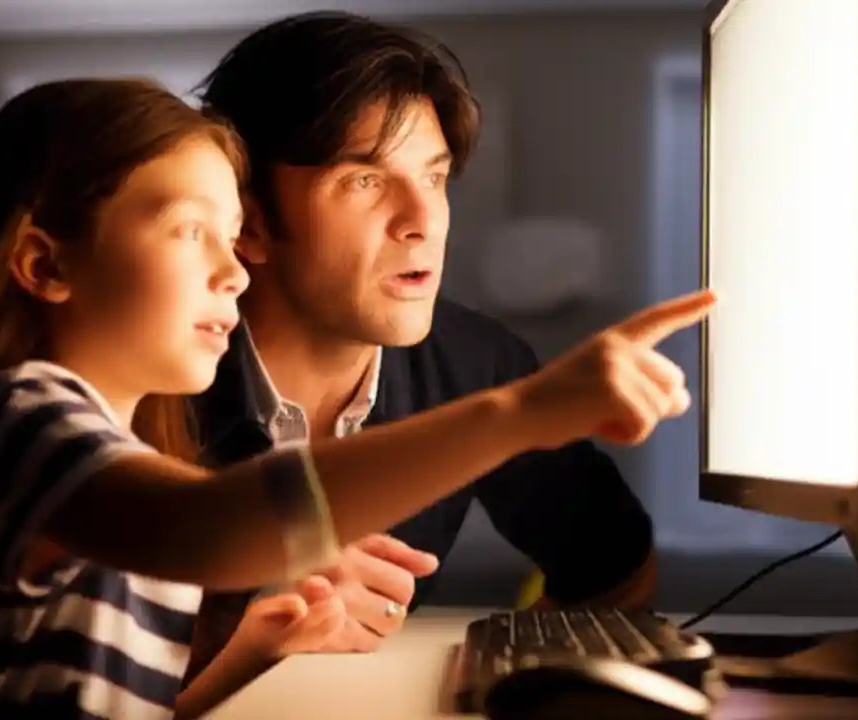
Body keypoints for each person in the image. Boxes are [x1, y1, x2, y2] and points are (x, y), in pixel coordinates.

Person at [0, 77, 712, 719]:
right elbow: (218, 526)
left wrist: (253, 650)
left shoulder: (99, 444)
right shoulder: (18, 421)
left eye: (231, 236)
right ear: (45, 263)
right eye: (192, 232)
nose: (233, 271)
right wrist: (520, 413)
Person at [185, 9, 666, 671]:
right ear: (249, 222)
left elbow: (614, 568)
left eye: (435, 178)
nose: (422, 221)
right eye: (365, 181)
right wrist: (244, 630)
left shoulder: (477, 363)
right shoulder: (153, 366)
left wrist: (508, 688)